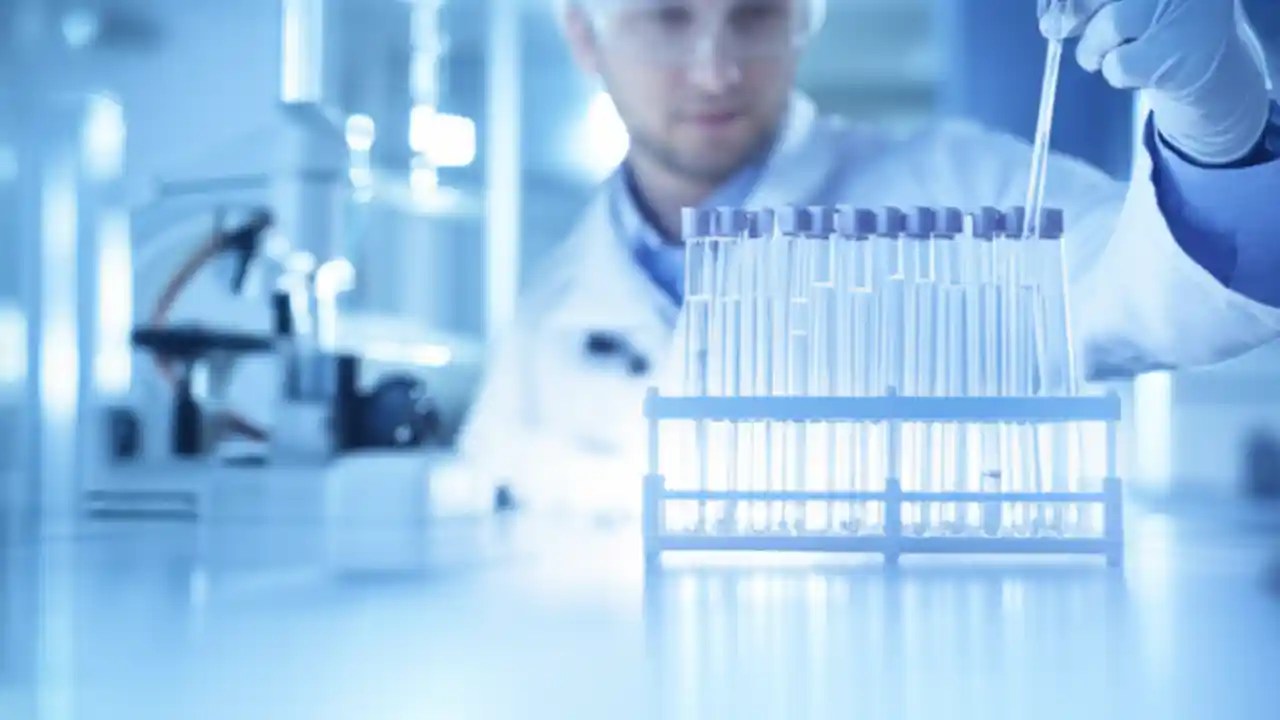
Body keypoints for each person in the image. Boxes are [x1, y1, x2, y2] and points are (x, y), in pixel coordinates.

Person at [461, 0, 1280, 514]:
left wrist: (1218, 130)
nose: (713, 70)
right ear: (584, 36)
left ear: (805, 21)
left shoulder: (967, 187)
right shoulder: (552, 301)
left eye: (753, 14)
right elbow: (482, 506)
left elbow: (1171, 292)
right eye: (668, 16)